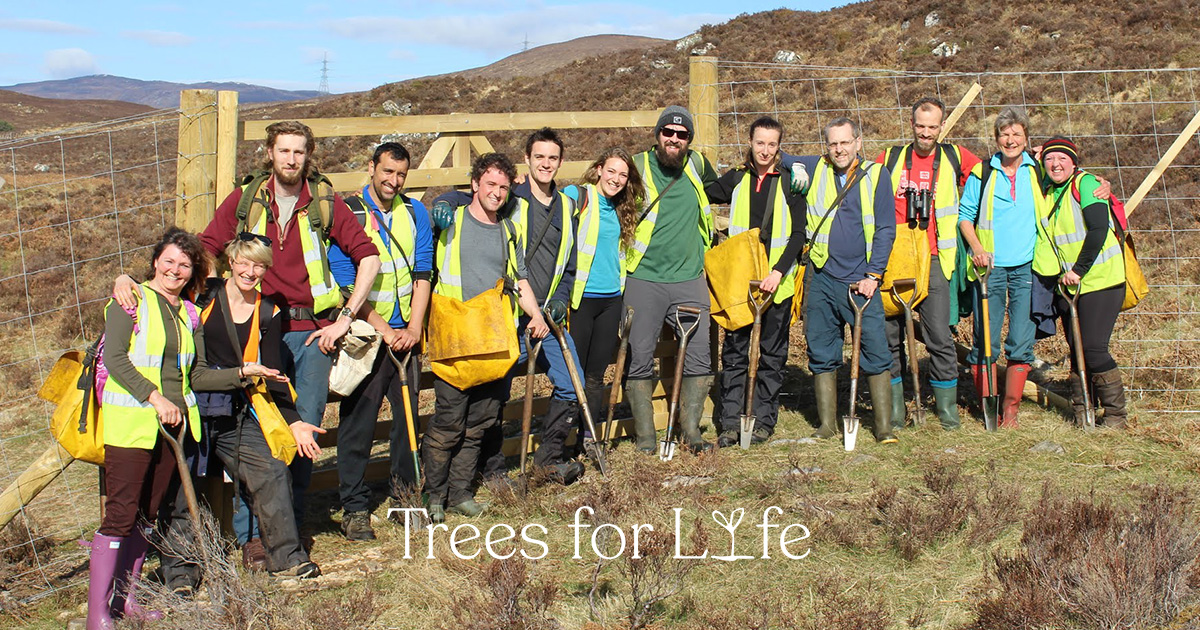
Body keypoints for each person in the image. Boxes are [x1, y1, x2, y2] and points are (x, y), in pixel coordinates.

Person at [117, 121, 380, 537]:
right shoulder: (247, 200)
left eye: (299, 152)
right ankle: (249, 535)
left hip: (312, 335)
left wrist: (345, 317)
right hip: (257, 331)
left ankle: (287, 530)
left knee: (302, 429)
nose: (291, 159)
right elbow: (199, 252)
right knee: (253, 429)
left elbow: (369, 257)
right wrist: (140, 282)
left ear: (308, 155)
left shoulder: (326, 202)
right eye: (284, 151)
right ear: (270, 153)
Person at [88, 228, 281, 629]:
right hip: (132, 427)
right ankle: (97, 614)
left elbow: (196, 375)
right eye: (169, 261)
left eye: (185, 264)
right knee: (120, 515)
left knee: (147, 514)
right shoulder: (129, 300)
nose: (176, 270)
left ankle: (127, 601)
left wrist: (243, 372)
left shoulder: (187, 312)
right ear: (156, 260)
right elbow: (118, 359)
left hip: (173, 432)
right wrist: (154, 398)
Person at [159, 235, 322, 593]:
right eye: (244, 262)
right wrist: (125, 283)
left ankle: (287, 559)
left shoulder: (269, 311)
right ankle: (181, 576)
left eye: (259, 264)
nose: (251, 271)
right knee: (183, 489)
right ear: (230, 261)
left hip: (235, 411)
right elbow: (161, 287)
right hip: (190, 409)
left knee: (270, 471)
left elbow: (274, 371)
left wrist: (294, 422)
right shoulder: (203, 294)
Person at [432, 128, 584, 483]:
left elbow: (569, 264)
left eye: (552, 158)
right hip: (503, 316)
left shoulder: (567, 206)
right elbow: (469, 198)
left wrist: (559, 302)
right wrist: (444, 200)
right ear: (527, 160)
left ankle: (548, 461)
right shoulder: (510, 197)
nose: (546, 164)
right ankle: (493, 470)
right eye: (539, 157)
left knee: (571, 385)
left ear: (560, 162)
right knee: (492, 396)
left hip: (545, 316)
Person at [423, 153, 548, 523]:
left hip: (494, 342)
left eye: (503, 187)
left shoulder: (510, 230)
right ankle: (434, 496)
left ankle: (460, 493)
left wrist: (536, 314)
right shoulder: (448, 223)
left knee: (480, 423)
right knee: (448, 422)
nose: (496, 192)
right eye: (490, 184)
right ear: (474, 184)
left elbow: (520, 278)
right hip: (455, 340)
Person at [330, 142, 433, 540]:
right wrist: (382, 328)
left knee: (407, 424)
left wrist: (414, 327)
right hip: (365, 336)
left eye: (401, 175)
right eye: (387, 172)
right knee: (358, 423)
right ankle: (354, 507)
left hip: (406, 335)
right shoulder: (350, 212)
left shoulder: (414, 212)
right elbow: (343, 280)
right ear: (372, 167)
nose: (393, 181)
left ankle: (405, 500)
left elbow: (423, 271)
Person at [876, 97, 981, 430]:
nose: (925, 132)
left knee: (939, 336)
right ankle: (895, 409)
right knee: (890, 336)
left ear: (942, 126)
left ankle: (946, 412)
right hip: (894, 258)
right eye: (920, 126)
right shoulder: (891, 158)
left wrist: (1032, 159)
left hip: (936, 258)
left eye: (932, 126)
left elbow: (992, 172)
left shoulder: (954, 157)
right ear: (911, 124)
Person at [790, 117, 897, 443]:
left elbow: (885, 229)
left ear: (858, 142)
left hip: (861, 280)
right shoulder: (817, 166)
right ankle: (827, 425)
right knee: (821, 349)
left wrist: (873, 274)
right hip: (821, 276)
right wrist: (794, 167)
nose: (839, 149)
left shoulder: (877, 175)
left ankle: (883, 426)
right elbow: (773, 155)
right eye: (833, 143)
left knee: (876, 348)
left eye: (845, 142)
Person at [703, 116, 806, 446]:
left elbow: (799, 234)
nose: (765, 149)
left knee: (772, 356)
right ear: (750, 142)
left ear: (779, 147)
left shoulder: (791, 182)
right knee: (735, 352)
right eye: (759, 142)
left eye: (772, 144)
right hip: (740, 284)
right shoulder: (736, 179)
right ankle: (730, 422)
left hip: (776, 282)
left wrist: (778, 271)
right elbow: (700, 191)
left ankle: (763, 420)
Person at [624, 106, 719, 454]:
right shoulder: (636, 165)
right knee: (639, 357)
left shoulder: (697, 165)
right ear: (657, 134)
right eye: (668, 132)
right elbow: (596, 190)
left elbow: (732, 183)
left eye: (682, 135)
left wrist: (789, 165)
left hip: (689, 277)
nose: (674, 140)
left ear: (689, 140)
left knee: (699, 358)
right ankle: (647, 439)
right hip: (643, 277)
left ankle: (691, 433)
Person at [958, 107, 1044, 428]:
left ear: (1026, 138)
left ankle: (1010, 411)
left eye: (1016, 134)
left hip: (1027, 269)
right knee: (986, 341)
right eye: (1004, 134)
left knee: (1022, 340)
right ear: (996, 139)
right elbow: (965, 217)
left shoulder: (1037, 171)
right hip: (988, 270)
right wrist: (977, 249)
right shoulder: (982, 173)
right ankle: (989, 408)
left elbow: (1068, 172)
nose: (1010, 140)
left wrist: (1100, 182)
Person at [1034, 137, 1128, 428]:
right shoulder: (1048, 190)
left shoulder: (1086, 184)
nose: (1055, 164)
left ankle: (1115, 416)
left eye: (1063, 158)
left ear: (1074, 162)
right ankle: (1082, 413)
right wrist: (1033, 153)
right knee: (1077, 350)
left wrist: (1078, 269)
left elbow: (1099, 229)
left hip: (1101, 279)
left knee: (1093, 348)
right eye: (1050, 159)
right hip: (1070, 286)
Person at [562, 147, 645, 442]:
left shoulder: (624, 208)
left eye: (623, 174)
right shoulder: (577, 196)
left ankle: (588, 435)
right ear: (598, 169)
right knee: (574, 374)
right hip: (581, 299)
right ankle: (564, 437)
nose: (616, 179)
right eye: (611, 171)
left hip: (611, 300)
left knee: (596, 375)